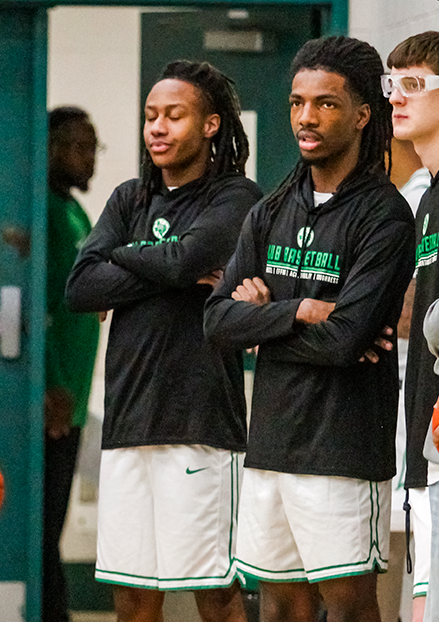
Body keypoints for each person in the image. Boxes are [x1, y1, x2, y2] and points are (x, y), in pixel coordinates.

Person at [203, 36, 414, 621]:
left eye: (325, 103)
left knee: (347, 607)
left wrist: (260, 325)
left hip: (343, 446)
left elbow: (347, 340)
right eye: (298, 102)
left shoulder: (384, 215)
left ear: (363, 113)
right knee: (278, 606)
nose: (306, 117)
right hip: (271, 442)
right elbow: (216, 321)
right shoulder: (269, 209)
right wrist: (295, 312)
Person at [66, 60, 260, 622]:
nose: (157, 127)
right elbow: (81, 286)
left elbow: (188, 260)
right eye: (151, 116)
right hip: (129, 419)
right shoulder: (130, 199)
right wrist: (162, 267)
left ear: (210, 125)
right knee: (131, 594)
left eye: (174, 116)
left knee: (214, 592)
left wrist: (121, 261)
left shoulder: (235, 197)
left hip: (197, 421)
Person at [386, 31, 439, 622]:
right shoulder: (423, 200)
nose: (398, 97)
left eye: (415, 85)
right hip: (424, 441)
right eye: (392, 84)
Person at [42, 106, 100, 622]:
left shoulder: (73, 211)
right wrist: (51, 384)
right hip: (54, 401)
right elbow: (37, 306)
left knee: (52, 529)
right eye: (81, 147)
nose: (91, 160)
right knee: (42, 534)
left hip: (75, 400)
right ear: (53, 147)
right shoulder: (44, 211)